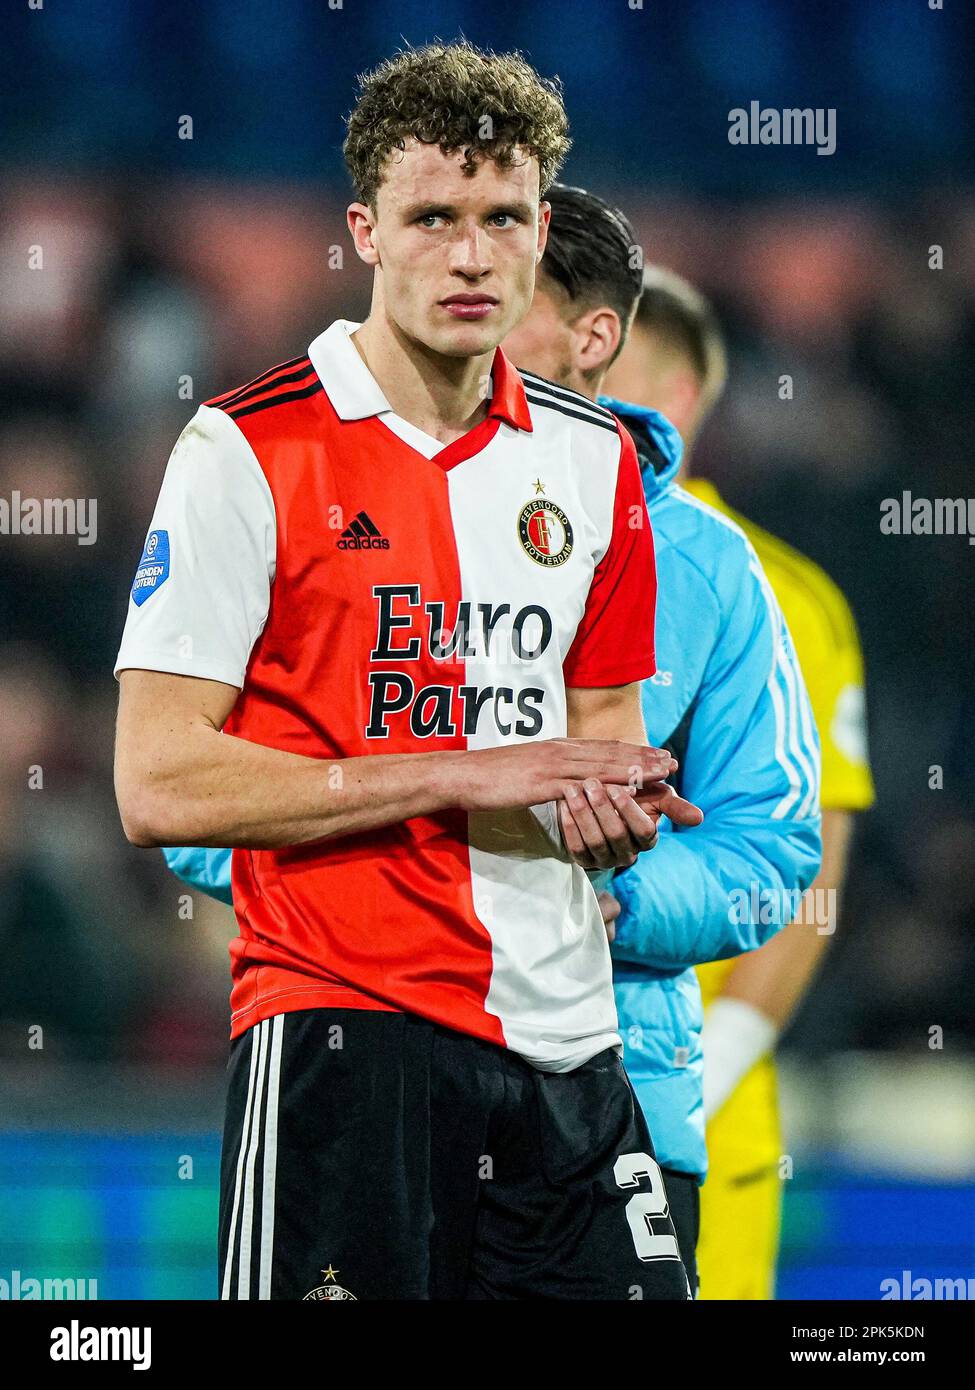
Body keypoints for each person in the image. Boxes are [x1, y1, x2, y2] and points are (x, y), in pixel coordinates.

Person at [113, 42, 702, 1302]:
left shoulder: (600, 465)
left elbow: (602, 742)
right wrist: (464, 771)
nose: (472, 254)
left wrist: (618, 816)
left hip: (571, 1048)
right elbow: (156, 782)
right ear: (364, 230)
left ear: (544, 233)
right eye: (433, 216)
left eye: (502, 218)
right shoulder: (243, 449)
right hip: (342, 1027)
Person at [165, 183, 822, 1298]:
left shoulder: (712, 572)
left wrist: (619, 902)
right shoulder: (331, 494)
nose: (454, 309)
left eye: (503, 287)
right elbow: (191, 793)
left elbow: (773, 852)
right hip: (369, 1049)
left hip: (620, 1095)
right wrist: (413, 890)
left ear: (591, 335)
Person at [604, 267, 874, 1299]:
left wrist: (705, 1074)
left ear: (670, 398)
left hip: (689, 1120)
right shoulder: (527, 551)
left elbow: (810, 880)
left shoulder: (771, 594)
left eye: (594, 357)